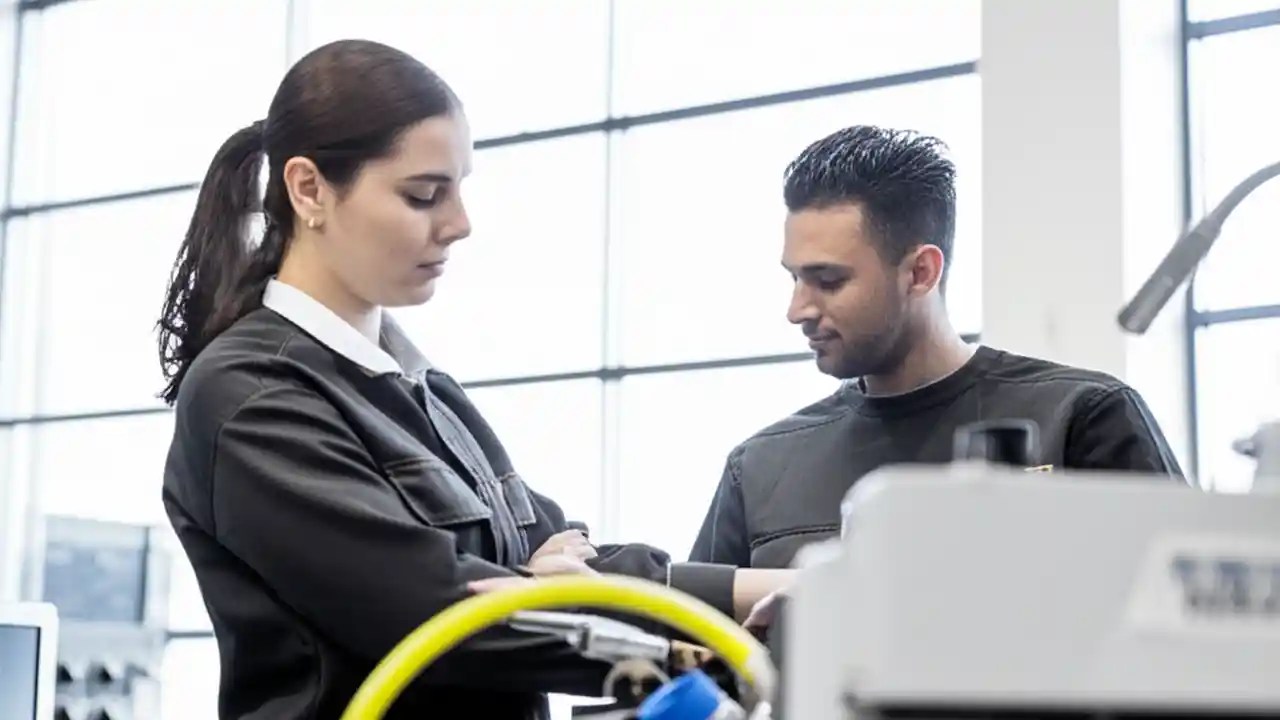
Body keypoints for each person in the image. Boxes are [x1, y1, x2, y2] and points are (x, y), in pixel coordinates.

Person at [157, 40, 785, 720]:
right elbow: (439, 620)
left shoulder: (424, 388)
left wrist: (791, 591)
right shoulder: (249, 395)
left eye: (459, 190)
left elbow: (575, 566)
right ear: (308, 189)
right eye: (424, 195)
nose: (459, 224)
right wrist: (537, 589)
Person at [690, 125, 1184, 574]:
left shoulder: (1083, 419)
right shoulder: (758, 469)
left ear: (921, 272)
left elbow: (1187, 623)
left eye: (828, 280)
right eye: (795, 278)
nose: (798, 309)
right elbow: (694, 651)